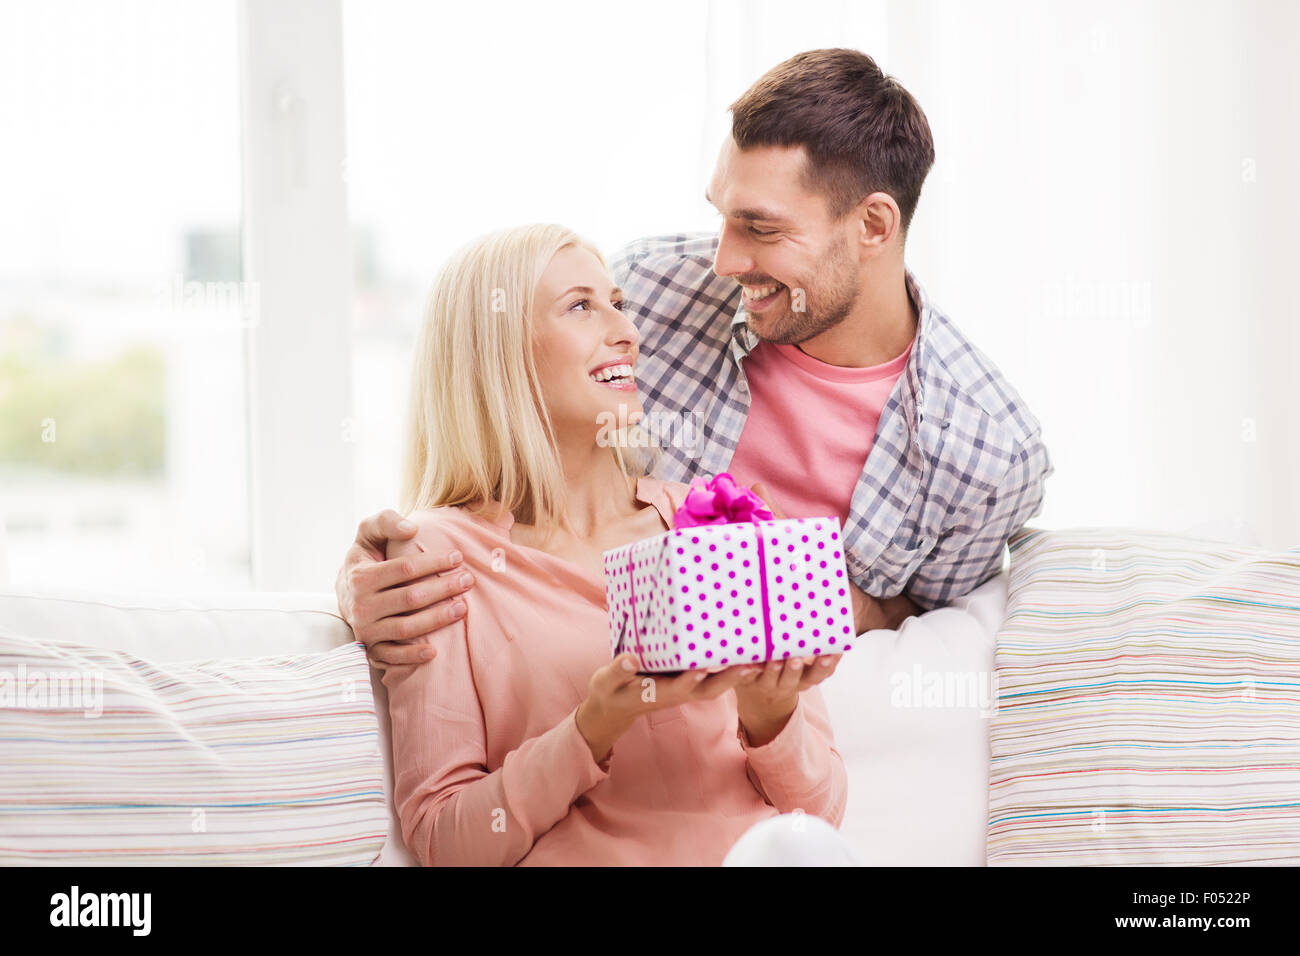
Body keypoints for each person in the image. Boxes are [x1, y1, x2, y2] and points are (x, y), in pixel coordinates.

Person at [338, 47, 1052, 677]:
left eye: (761, 229)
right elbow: (503, 457)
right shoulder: (649, 291)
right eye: (722, 214)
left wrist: (775, 594)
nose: (724, 259)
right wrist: (371, 584)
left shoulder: (989, 455)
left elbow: (932, 639)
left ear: (872, 225)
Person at [379, 223, 846, 865]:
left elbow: (820, 816)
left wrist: (771, 715)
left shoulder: (718, 519)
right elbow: (445, 840)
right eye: (580, 306)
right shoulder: (437, 556)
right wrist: (590, 729)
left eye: (619, 304)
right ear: (498, 350)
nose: (627, 331)